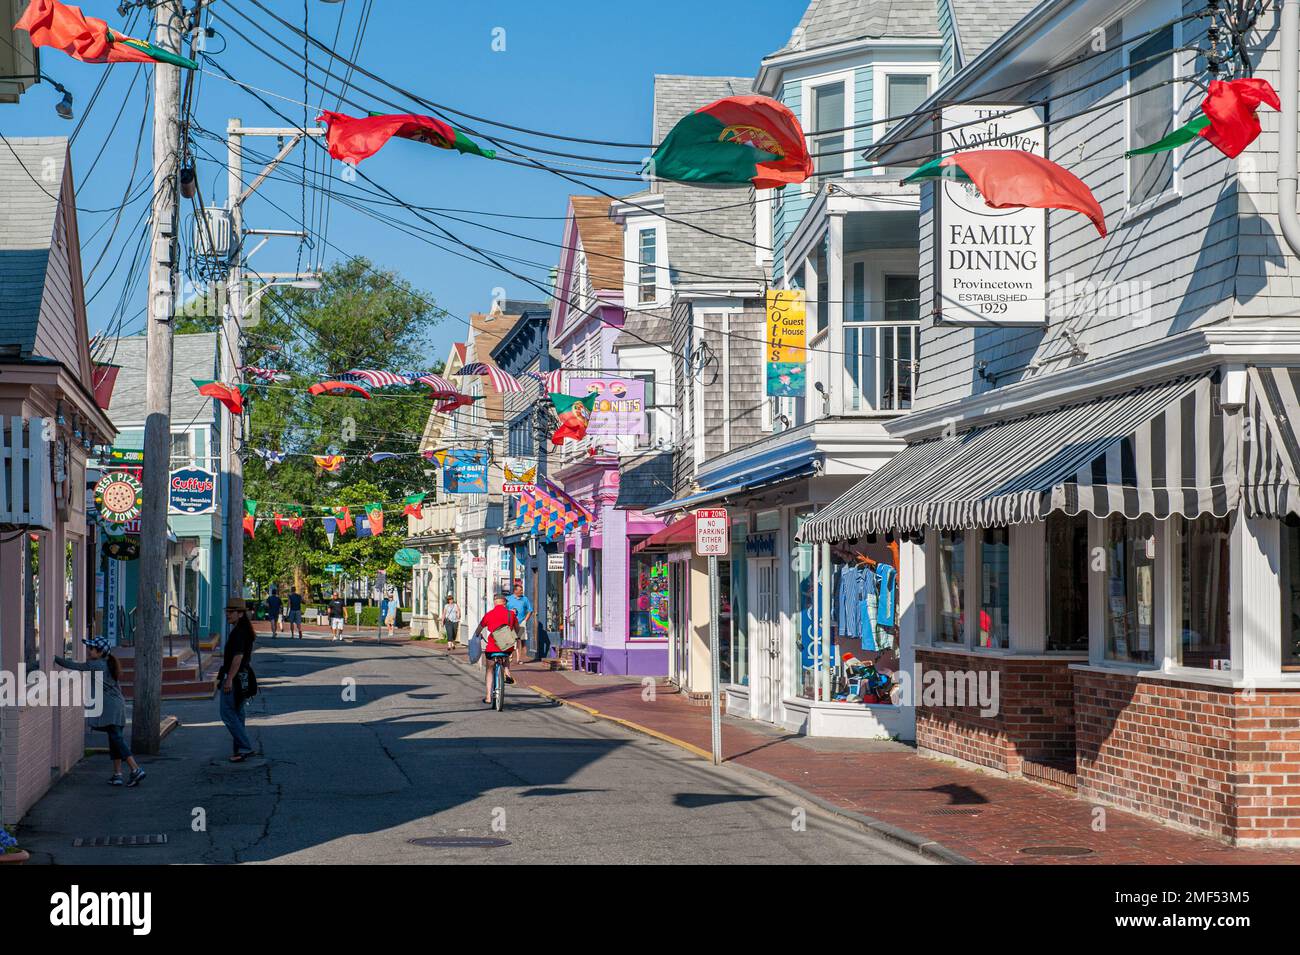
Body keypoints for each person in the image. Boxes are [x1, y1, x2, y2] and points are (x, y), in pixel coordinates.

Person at [54, 637, 146, 787]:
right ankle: (117, 775)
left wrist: (53, 657)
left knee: (116, 739)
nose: (89, 650)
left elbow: (73, 665)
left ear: (100, 652)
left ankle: (135, 769)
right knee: (114, 738)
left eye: (92, 648)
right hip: (117, 704)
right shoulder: (108, 663)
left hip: (110, 706)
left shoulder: (96, 665)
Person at [218, 598, 258, 762]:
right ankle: (239, 749)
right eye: (227, 611)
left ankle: (244, 747)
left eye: (231, 612)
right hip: (243, 676)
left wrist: (229, 680)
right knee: (237, 713)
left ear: (240, 614)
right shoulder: (242, 630)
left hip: (236, 677)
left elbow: (238, 657)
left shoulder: (239, 632)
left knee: (227, 713)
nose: (228, 614)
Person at [476, 590, 520, 704]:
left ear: (495, 603)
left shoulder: (489, 614)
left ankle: (488, 697)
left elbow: (479, 629)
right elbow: (517, 628)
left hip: (493, 646)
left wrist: (477, 635)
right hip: (506, 646)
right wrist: (516, 636)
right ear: (504, 603)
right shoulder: (511, 614)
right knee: (506, 654)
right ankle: (507, 671)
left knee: (489, 669)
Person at [506, 580, 534, 661]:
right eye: (520, 590)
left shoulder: (525, 599)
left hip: (521, 623)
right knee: (510, 640)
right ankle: (510, 656)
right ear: (515, 591)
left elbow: (530, 610)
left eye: (522, 590)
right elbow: (504, 609)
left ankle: (519, 659)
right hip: (510, 622)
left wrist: (525, 620)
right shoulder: (508, 599)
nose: (522, 592)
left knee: (519, 639)